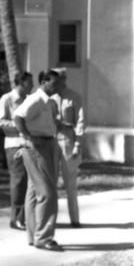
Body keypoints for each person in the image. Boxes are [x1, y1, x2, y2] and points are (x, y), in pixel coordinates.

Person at [13, 70, 62, 250]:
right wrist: (29, 137)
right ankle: (44, 237)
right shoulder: (36, 99)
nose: (57, 85)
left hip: (46, 144)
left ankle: (34, 236)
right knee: (48, 193)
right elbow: (17, 117)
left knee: (34, 192)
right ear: (44, 82)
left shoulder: (48, 101)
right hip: (37, 148)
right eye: (54, 82)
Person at [0, 71, 34, 230]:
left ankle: (25, 217)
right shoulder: (7, 99)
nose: (32, 85)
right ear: (22, 82)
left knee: (29, 183)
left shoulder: (29, 100)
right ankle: (16, 219)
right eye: (30, 82)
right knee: (18, 182)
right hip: (14, 144)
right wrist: (20, 126)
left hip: (30, 144)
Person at [52, 67, 85, 228]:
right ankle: (51, 221)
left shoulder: (74, 97)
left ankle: (75, 219)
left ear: (65, 79)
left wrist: (78, 143)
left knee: (70, 184)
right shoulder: (48, 98)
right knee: (50, 183)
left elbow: (80, 122)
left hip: (68, 141)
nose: (58, 82)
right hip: (51, 142)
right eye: (55, 79)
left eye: (61, 79)